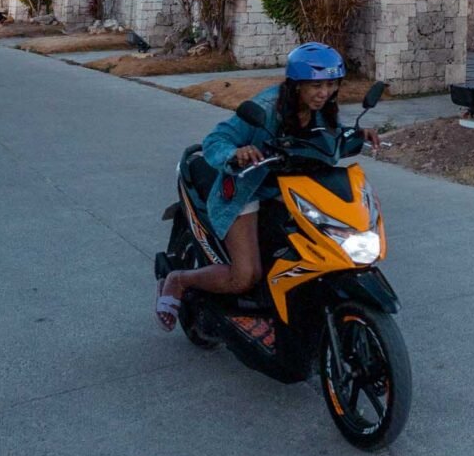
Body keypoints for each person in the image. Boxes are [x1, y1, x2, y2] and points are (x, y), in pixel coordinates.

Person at [154, 42, 379, 330]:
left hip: (294, 191)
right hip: (248, 188)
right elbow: (215, 141)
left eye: (331, 84)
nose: (324, 92)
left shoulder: (322, 109)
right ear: (297, 84)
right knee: (245, 275)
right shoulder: (266, 107)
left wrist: (356, 135)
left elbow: (325, 140)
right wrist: (236, 153)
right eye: (316, 85)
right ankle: (178, 280)